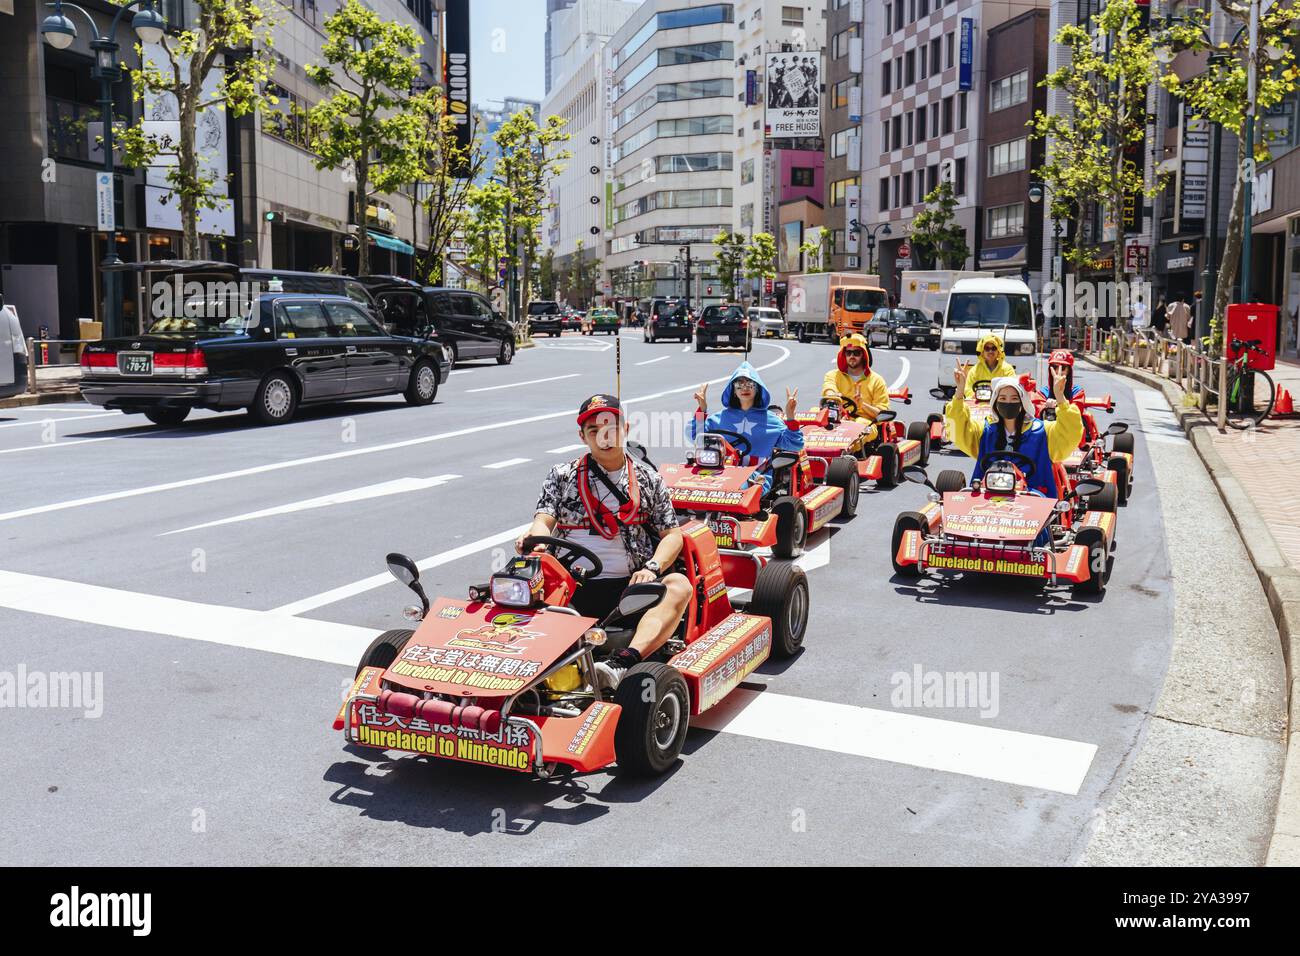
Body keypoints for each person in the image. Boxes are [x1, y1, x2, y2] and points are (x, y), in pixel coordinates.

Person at [519, 394, 693, 689]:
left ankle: (621, 663)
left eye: (611, 427)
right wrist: (535, 539)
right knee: (512, 584)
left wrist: (652, 566)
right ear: (582, 437)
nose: (604, 437)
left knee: (680, 585)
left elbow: (672, 535)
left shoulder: (649, 478)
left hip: (630, 586)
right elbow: (544, 518)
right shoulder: (562, 475)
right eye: (594, 431)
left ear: (626, 428)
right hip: (571, 586)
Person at [945, 363, 1083, 499]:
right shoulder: (985, 431)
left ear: (1023, 403)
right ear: (995, 403)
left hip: (1034, 501)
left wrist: (1060, 398)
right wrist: (959, 392)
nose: (1008, 403)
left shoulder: (1042, 432)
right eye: (1003, 398)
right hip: (988, 498)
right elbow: (955, 429)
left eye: (1014, 399)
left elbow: (1071, 432)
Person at [689, 361, 802, 492]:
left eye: (750, 383)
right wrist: (702, 410)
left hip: (756, 478)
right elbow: (697, 437)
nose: (745, 388)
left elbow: (795, 445)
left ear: (758, 387)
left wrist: (790, 416)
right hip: (718, 474)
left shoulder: (772, 421)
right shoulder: (718, 418)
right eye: (739, 384)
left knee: (738, 487)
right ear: (733, 390)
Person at [821, 333, 890, 440]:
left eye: (856, 353)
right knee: (815, 411)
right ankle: (807, 451)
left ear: (863, 354)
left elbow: (882, 414)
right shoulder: (832, 375)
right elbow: (828, 388)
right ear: (844, 354)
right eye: (848, 353)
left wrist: (862, 404)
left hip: (865, 423)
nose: (852, 356)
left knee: (860, 424)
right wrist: (833, 396)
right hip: (837, 419)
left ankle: (845, 453)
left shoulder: (877, 380)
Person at [964, 332, 1017, 398]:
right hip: (979, 405)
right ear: (982, 352)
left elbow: (1013, 389)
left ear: (999, 351)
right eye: (987, 348)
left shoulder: (1008, 369)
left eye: (994, 348)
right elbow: (967, 390)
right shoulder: (974, 370)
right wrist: (978, 396)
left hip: (1000, 405)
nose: (990, 351)